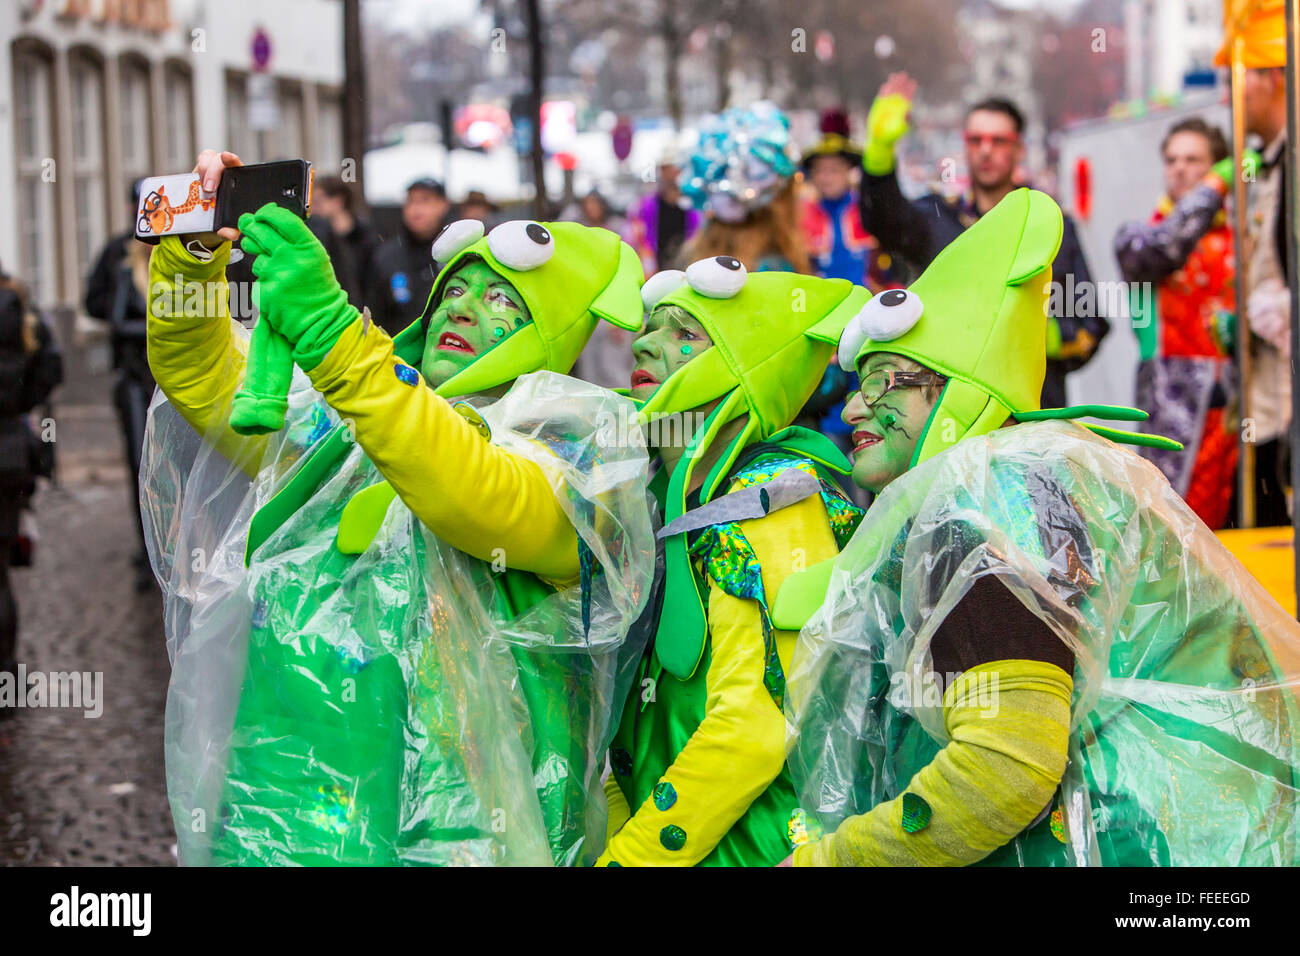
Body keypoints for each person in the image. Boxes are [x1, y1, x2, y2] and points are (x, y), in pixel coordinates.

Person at [140, 148, 651, 866]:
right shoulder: (352, 409)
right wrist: (192, 255)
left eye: (503, 302)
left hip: (455, 841)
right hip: (281, 820)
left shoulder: (579, 438)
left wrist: (334, 339)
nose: (465, 308)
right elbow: (202, 376)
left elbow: (480, 496)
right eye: (457, 291)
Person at [773, 189, 1300, 866]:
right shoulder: (1038, 468)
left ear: (955, 390)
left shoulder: (977, 507)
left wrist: (830, 860)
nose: (852, 410)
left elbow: (1003, 772)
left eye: (883, 383)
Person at [596, 262, 869, 866]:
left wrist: (631, 857)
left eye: (685, 335)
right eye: (651, 328)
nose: (643, 343)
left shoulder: (774, 503)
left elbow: (755, 725)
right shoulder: (652, 497)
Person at [858, 73, 1106, 408]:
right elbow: (883, 221)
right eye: (976, 140)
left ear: (1018, 148)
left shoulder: (1051, 227)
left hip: (1032, 415)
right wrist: (879, 154)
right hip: (945, 412)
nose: (986, 150)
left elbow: (1088, 320)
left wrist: (1028, 332)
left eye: (998, 140)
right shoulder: (938, 217)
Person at [1114, 118, 1246, 530]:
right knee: (1174, 537)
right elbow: (1165, 249)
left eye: (1194, 160)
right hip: (1174, 418)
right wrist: (1213, 189)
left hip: (1241, 417)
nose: (1180, 168)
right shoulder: (1141, 236)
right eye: (1172, 159)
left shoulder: (1244, 237)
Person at [1215, 3, 1292, 526]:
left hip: (1286, 405)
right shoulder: (1269, 162)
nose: (1232, 95)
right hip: (1264, 406)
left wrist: (1283, 309)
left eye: (1240, 78)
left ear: (1274, 79)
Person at [84, 180, 155, 590]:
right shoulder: (120, 258)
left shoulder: (178, 253)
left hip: (168, 381)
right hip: (133, 379)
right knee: (138, 464)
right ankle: (146, 551)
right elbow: (103, 309)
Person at [0, 266, 62, 715]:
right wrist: (23, 402)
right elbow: (51, 366)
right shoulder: (19, 314)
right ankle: (8, 677)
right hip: (11, 454)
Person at [365, 177, 451, 336]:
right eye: (411, 201)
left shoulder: (457, 252)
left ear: (443, 205)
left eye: (425, 200)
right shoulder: (387, 255)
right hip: (398, 353)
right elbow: (374, 313)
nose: (416, 210)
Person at [311, 175, 377, 309]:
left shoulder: (365, 238)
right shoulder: (318, 236)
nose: (313, 209)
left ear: (338, 201)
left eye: (318, 202)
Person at [629, 154, 701, 274]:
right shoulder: (648, 205)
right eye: (666, 169)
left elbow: (697, 234)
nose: (673, 173)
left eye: (676, 168)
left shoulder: (693, 204)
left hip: (686, 267)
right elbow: (641, 236)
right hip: (656, 269)